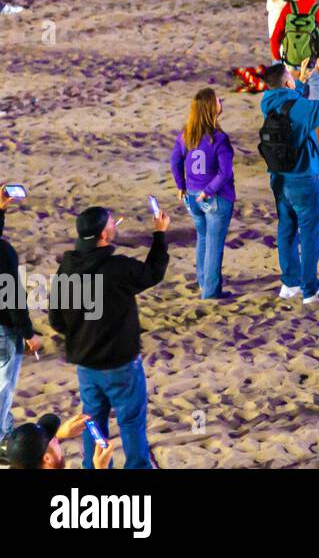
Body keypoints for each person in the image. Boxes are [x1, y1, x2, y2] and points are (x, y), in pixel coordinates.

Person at [49, 203, 170, 469]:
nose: (115, 224)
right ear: (103, 235)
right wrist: (159, 234)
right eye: (111, 222)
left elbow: (56, 320)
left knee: (93, 421)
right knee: (130, 421)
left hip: (87, 364)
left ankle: (94, 467)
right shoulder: (117, 267)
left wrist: (83, 332)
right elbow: (153, 272)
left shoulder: (66, 268)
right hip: (120, 365)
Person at [259, 60, 319, 304]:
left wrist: (301, 80)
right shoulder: (303, 110)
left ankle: (289, 283)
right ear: (286, 82)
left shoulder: (267, 102)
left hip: (278, 179)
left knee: (286, 230)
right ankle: (310, 291)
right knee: (309, 235)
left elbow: (287, 98)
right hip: (304, 180)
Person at [168, 88, 235, 300]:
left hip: (193, 196)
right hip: (213, 197)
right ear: (210, 108)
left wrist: (181, 186)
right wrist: (209, 191)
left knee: (203, 238)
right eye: (217, 100)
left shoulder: (186, 135)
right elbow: (225, 172)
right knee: (214, 244)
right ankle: (210, 291)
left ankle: (202, 281)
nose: (220, 102)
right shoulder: (219, 138)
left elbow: (174, 161)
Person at [0, 188, 38, 438]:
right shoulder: (3, 252)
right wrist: (28, 333)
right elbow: (11, 295)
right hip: (3, 329)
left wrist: (1, 209)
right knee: (3, 386)